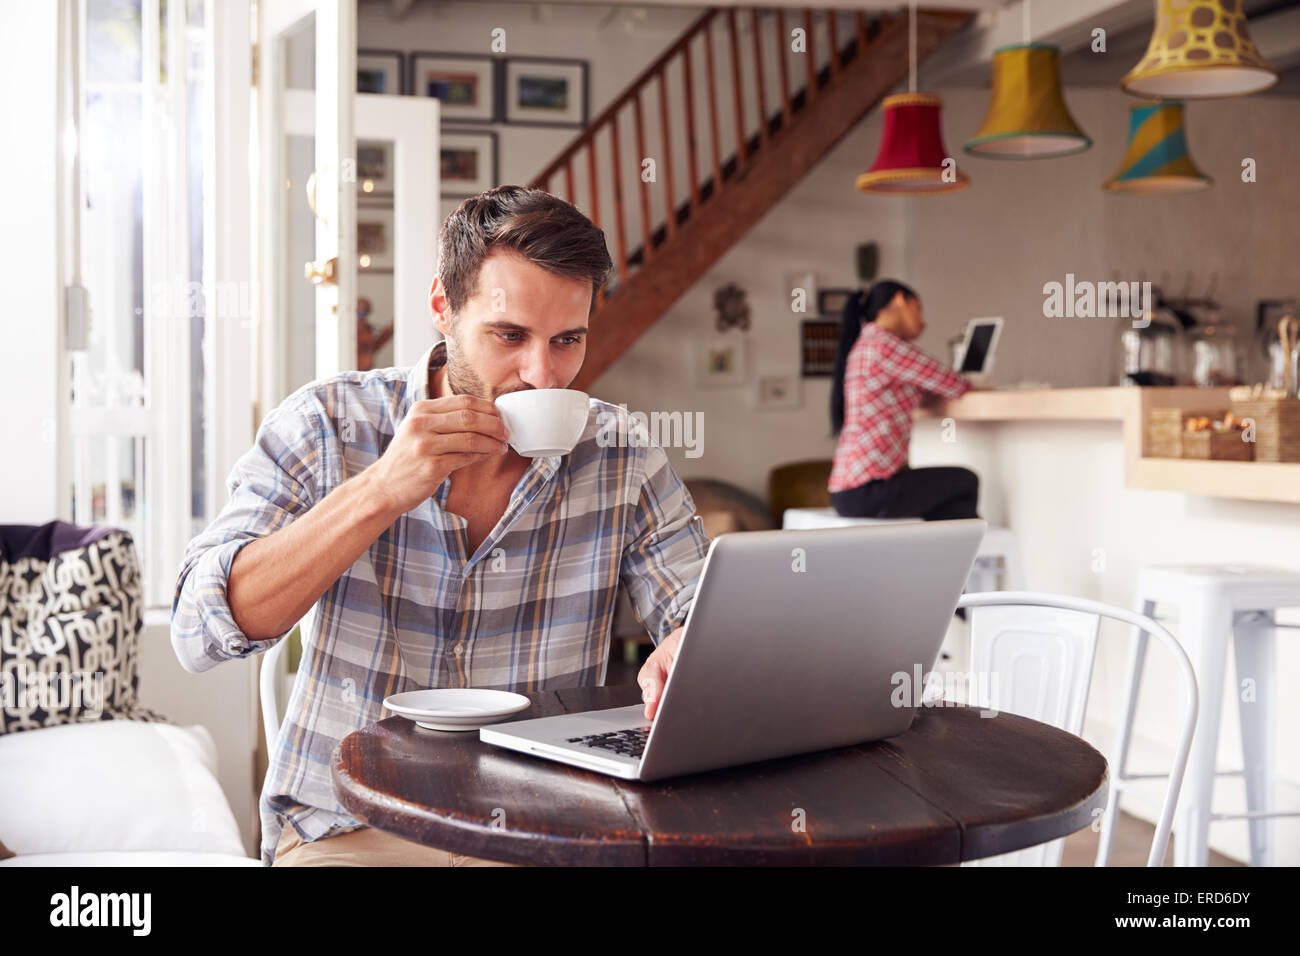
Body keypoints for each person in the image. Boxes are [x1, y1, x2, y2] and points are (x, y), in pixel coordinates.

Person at [171, 185, 709, 866]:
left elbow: (698, 612)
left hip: (543, 827)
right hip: (349, 825)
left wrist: (686, 647)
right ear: (442, 309)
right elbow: (197, 632)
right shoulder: (328, 424)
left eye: (567, 340)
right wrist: (381, 490)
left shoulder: (620, 451)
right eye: (509, 336)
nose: (542, 374)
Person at [828, 279, 980, 522]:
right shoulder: (885, 345)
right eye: (918, 309)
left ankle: (947, 554)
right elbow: (955, 384)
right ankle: (962, 556)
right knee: (965, 482)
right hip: (868, 489)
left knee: (946, 496)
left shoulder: (866, 345)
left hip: (850, 489)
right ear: (900, 301)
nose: (923, 321)